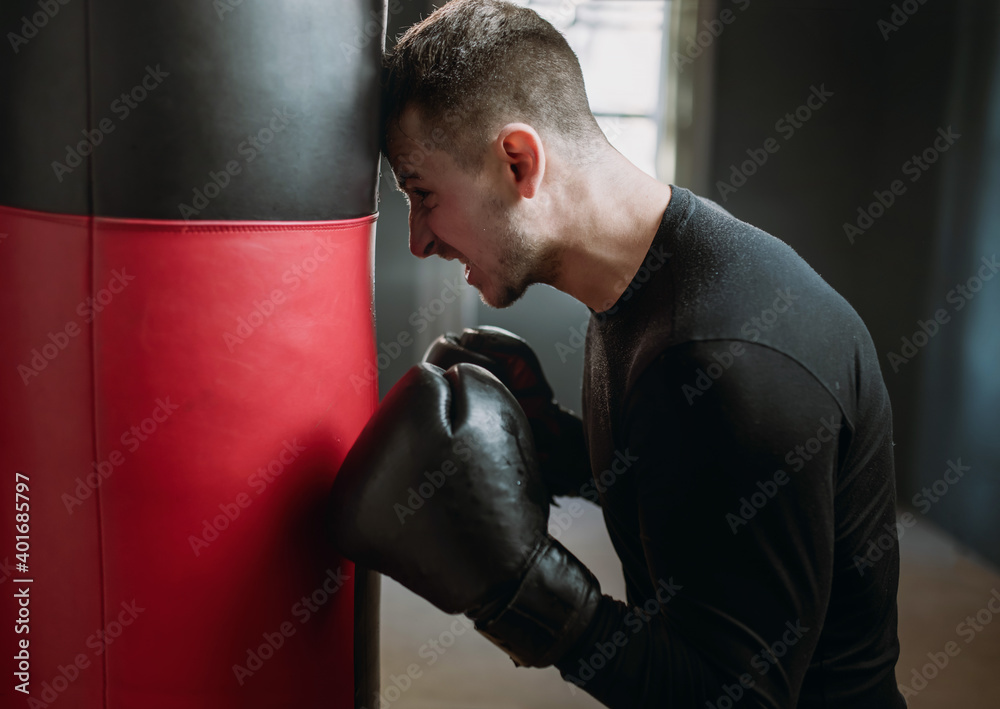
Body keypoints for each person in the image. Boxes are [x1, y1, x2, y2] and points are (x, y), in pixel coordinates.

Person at [328, 1, 907, 707]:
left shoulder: (720, 360)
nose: (419, 239)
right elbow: (694, 489)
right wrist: (556, 445)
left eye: (423, 194)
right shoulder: (656, 277)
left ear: (518, 160)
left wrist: (528, 592)